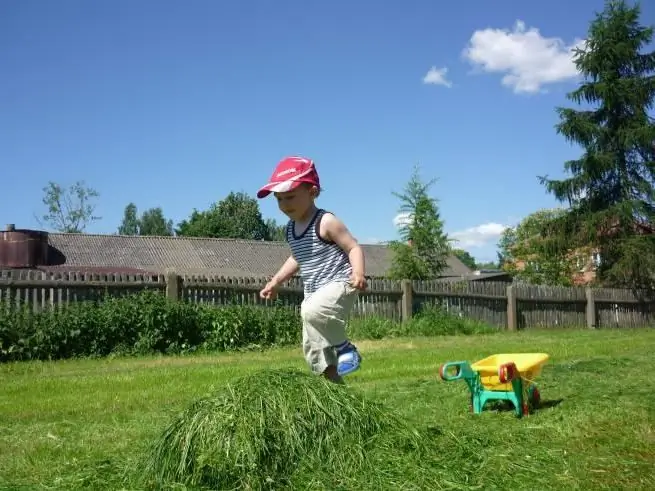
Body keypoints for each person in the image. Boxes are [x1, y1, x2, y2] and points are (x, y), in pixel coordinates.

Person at [257, 155, 367, 383]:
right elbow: (297, 257)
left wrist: (358, 273)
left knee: (311, 312)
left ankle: (347, 349)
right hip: (314, 292)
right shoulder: (290, 229)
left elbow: (353, 247)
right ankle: (334, 389)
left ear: (313, 192)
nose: (284, 205)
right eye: (279, 199)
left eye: (290, 197)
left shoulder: (325, 221)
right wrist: (276, 281)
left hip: (340, 283)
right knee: (314, 345)